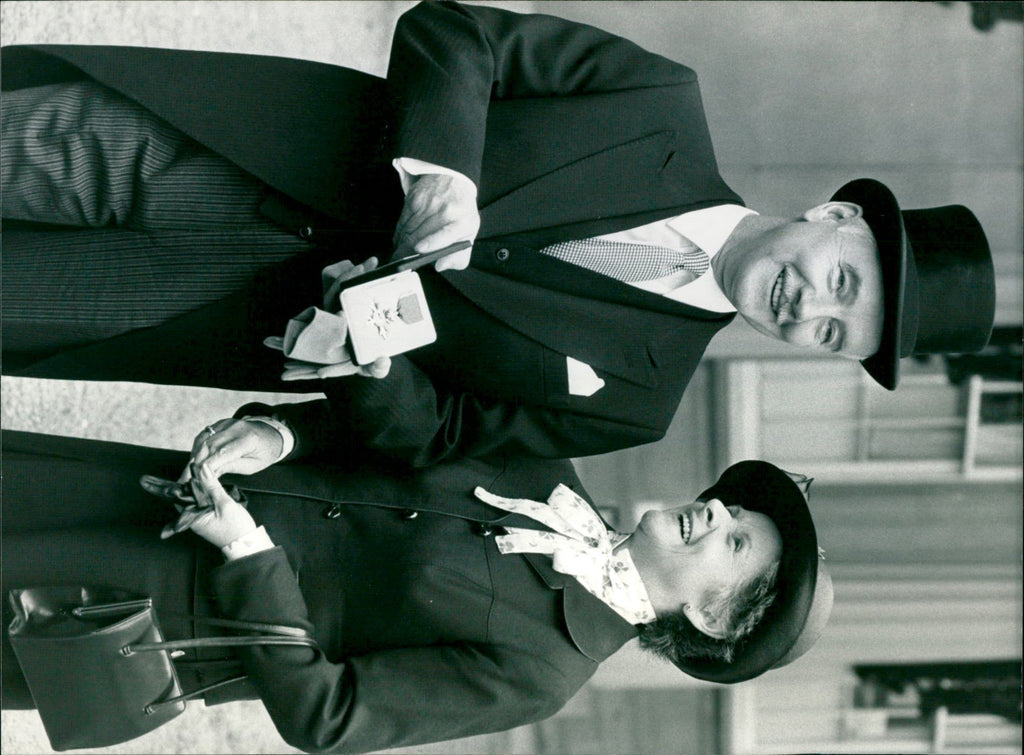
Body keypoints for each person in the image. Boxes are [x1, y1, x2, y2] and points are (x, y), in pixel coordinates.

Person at [1, 1, 996, 465]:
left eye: (830, 332)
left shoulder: (635, 404)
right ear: (835, 217)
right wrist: (446, 178)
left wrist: (375, 355)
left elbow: (432, 438)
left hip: (200, 308)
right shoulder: (656, 102)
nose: (807, 305)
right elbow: (453, 33)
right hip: (212, 148)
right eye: (841, 283)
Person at [2, 427, 832, 753]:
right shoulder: (547, 475)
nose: (717, 507)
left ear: (713, 616)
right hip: (142, 490)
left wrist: (247, 550)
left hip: (145, 609)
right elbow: (382, 431)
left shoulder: (544, 670)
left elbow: (327, 716)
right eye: (734, 506)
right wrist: (278, 432)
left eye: (734, 539)